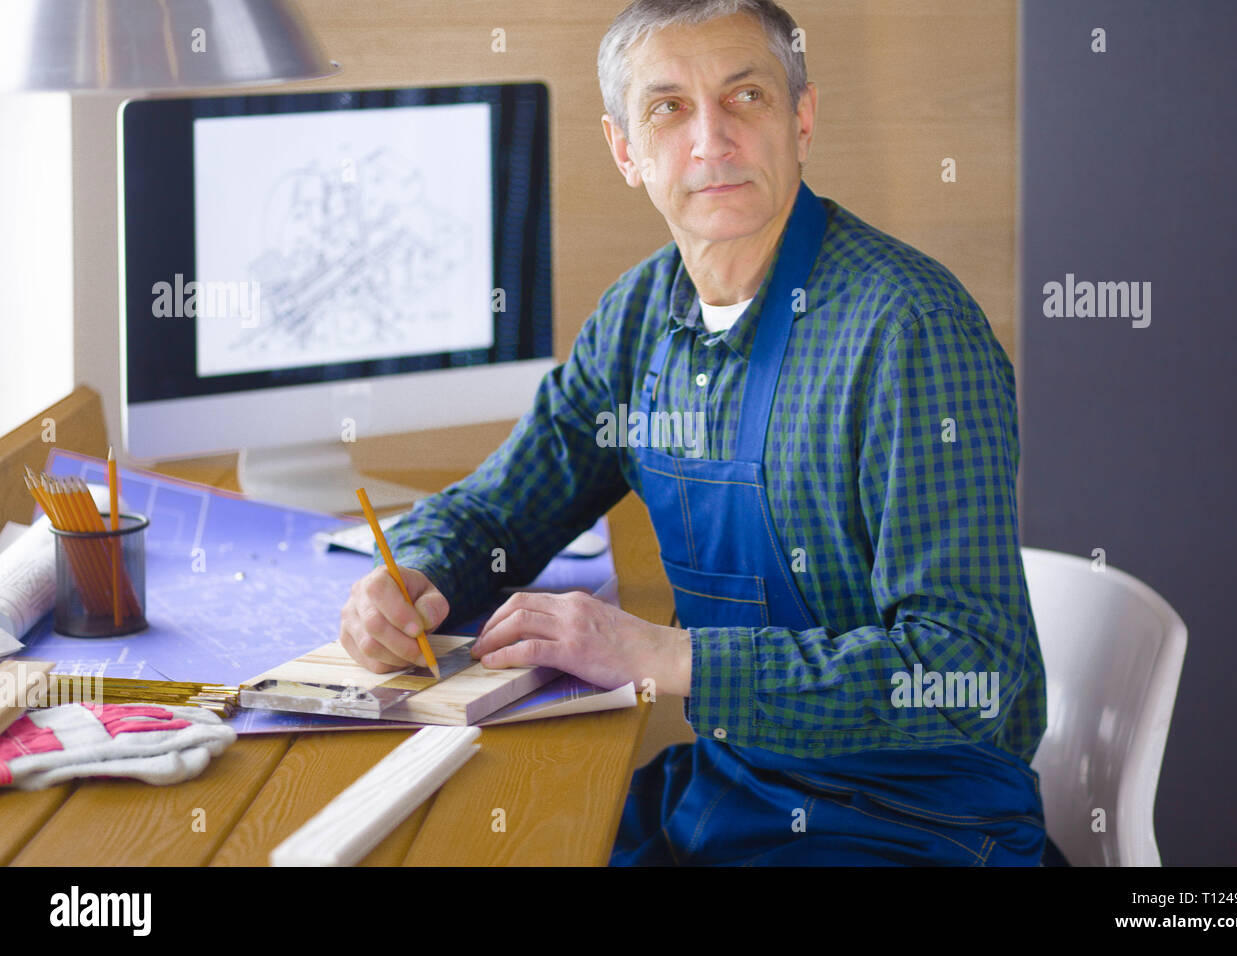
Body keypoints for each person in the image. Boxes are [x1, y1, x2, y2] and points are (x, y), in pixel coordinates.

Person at [338, 0, 1048, 866]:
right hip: (733, 788)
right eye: (669, 108)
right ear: (625, 151)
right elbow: (499, 512)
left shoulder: (911, 333)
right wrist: (413, 575)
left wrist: (669, 656)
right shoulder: (638, 316)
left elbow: (970, 672)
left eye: (746, 97)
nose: (711, 140)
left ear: (802, 119)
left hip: (917, 823)